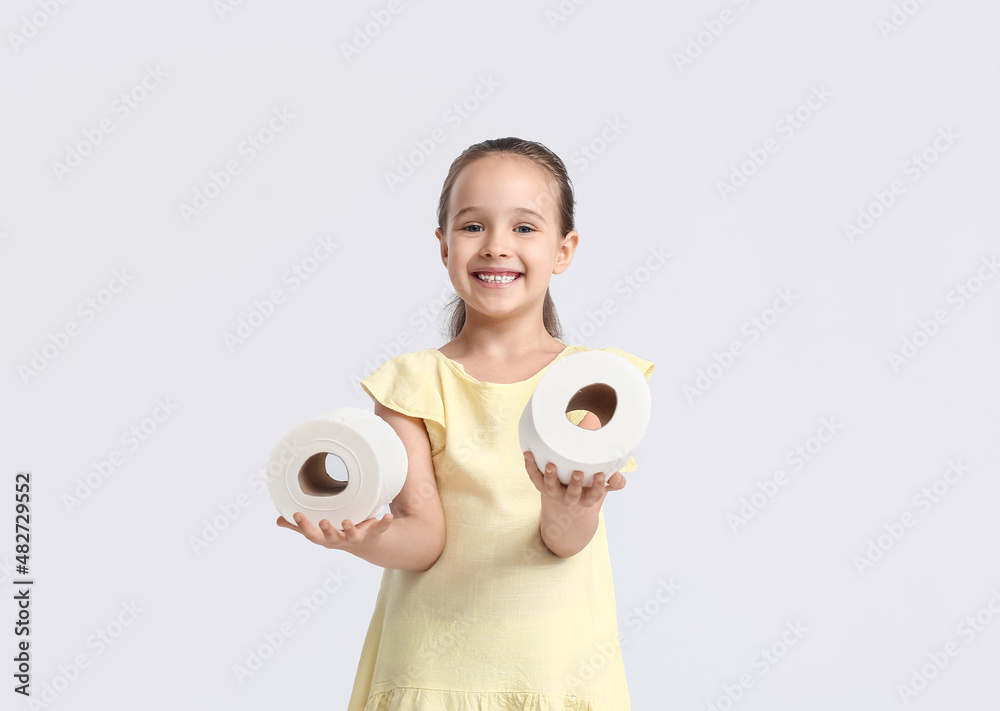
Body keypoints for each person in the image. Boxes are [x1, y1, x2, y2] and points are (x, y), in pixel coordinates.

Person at [277, 137, 654, 710]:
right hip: (435, 673)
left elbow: (563, 541)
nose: (496, 247)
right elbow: (424, 538)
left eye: (525, 228)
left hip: (553, 674)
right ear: (444, 244)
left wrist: (570, 509)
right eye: (473, 226)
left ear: (564, 249)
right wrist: (363, 538)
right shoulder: (414, 385)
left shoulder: (592, 382)